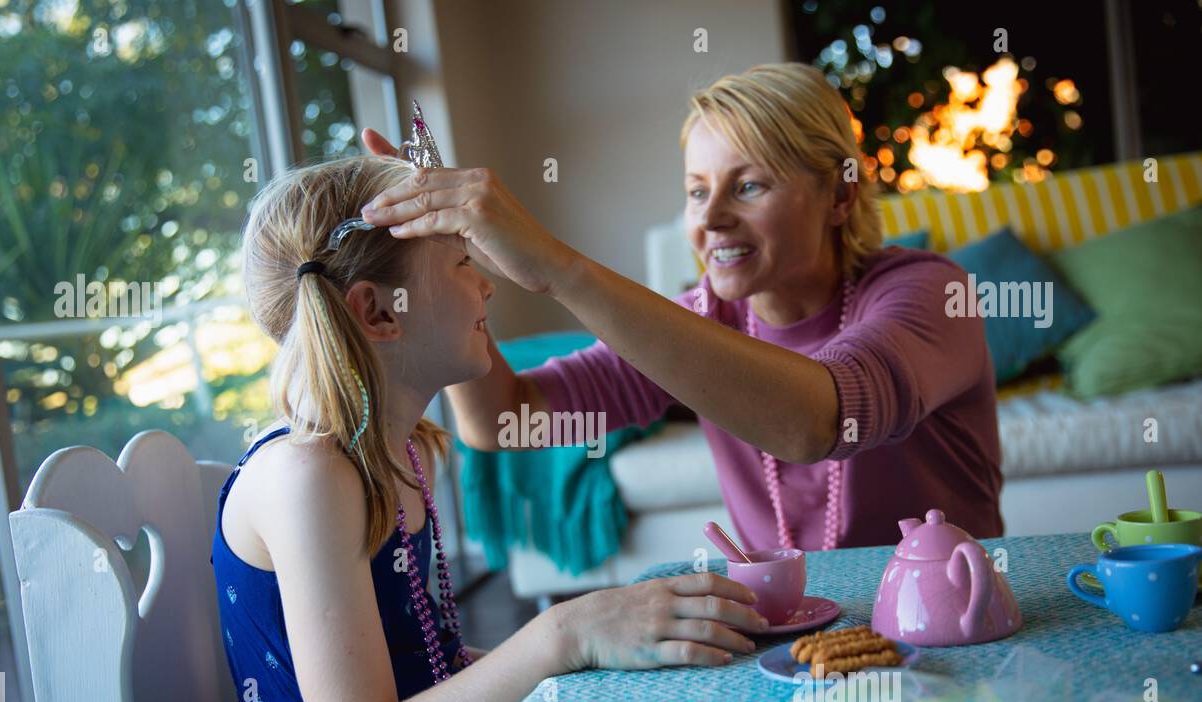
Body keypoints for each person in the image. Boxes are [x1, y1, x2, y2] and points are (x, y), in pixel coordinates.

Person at [215, 154, 771, 702]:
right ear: (378, 312)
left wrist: (594, 663)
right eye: (460, 263)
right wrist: (565, 633)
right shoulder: (310, 477)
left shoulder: (402, 450)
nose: (487, 285)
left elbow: (427, 666)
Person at [359, 63, 1004, 552]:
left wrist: (558, 269)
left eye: (749, 185)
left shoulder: (928, 292)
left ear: (839, 196)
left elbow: (820, 423)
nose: (713, 219)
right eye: (697, 192)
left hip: (954, 623)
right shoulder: (696, 326)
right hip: (800, 637)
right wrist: (452, 260)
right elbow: (505, 421)